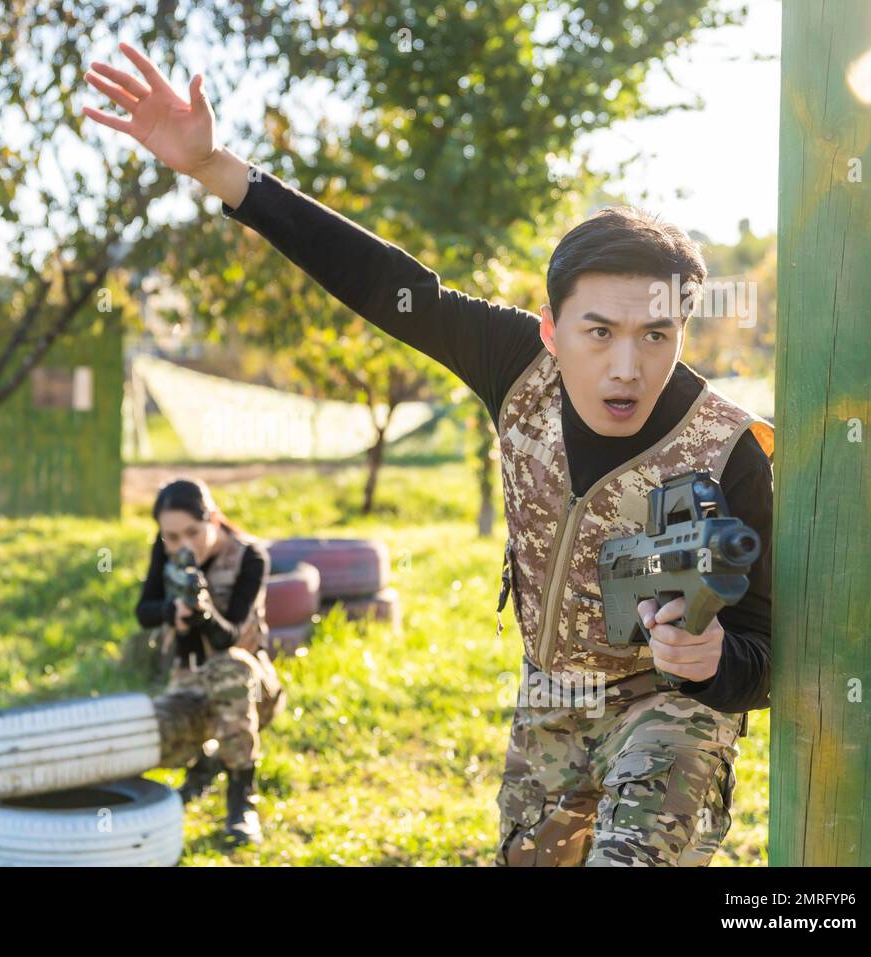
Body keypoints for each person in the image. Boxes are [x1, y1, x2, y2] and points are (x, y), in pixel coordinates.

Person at [83, 43, 774, 866]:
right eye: (600, 333)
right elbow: (383, 283)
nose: (628, 364)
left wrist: (714, 661)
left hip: (672, 712)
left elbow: (767, 654)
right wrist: (216, 168)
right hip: (550, 699)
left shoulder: (729, 446)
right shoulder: (514, 362)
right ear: (551, 332)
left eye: (656, 334)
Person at [135, 476, 285, 846]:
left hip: (249, 689)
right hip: (191, 684)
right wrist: (173, 611)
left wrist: (203, 614)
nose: (183, 545)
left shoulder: (249, 556)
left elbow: (231, 634)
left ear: (213, 519)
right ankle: (204, 763)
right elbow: (143, 612)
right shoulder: (164, 548)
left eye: (193, 532)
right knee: (156, 735)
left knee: (228, 667)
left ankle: (241, 797)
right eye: (171, 537)